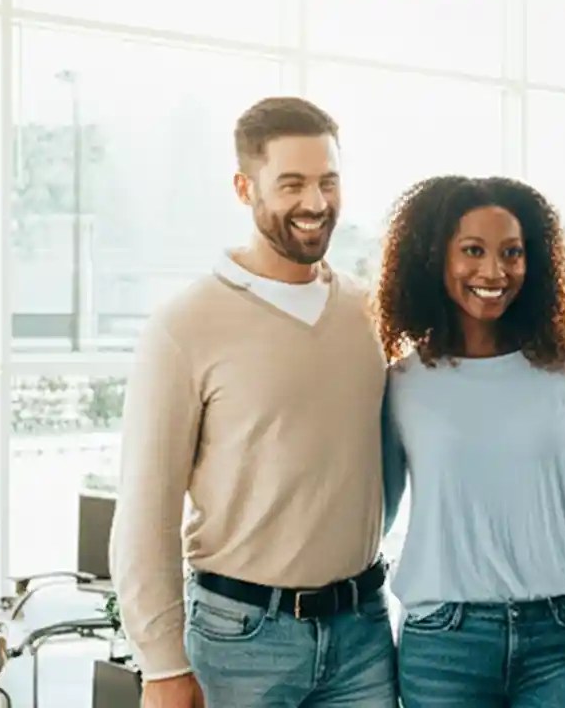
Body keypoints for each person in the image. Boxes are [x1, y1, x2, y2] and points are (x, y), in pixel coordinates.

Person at [109, 96, 396, 708]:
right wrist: (161, 665)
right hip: (238, 642)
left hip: (364, 635)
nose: (315, 203)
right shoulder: (184, 325)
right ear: (245, 188)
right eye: (291, 184)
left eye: (327, 181)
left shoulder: (368, 314)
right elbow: (145, 509)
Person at [375, 175, 565, 708]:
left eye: (511, 253)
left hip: (557, 641)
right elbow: (370, 519)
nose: (493, 272)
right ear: (435, 259)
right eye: (473, 251)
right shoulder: (404, 382)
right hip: (442, 644)